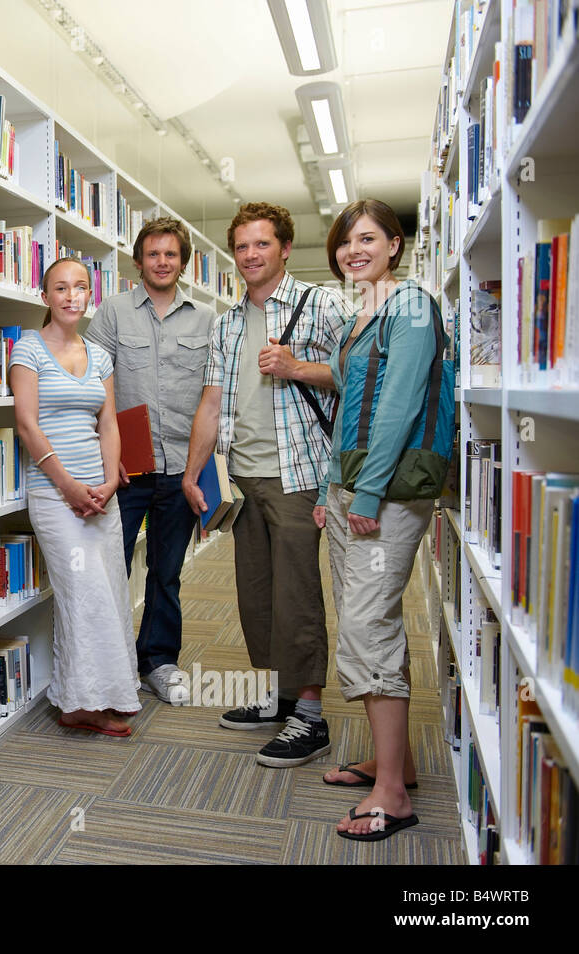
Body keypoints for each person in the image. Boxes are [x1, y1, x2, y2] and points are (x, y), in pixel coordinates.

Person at [182, 202, 348, 767]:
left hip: (299, 475)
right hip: (241, 480)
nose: (251, 255)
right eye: (243, 246)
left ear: (283, 247)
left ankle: (311, 716)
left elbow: (361, 374)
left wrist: (299, 366)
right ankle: (279, 697)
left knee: (297, 593)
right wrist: (192, 472)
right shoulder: (227, 321)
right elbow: (210, 402)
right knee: (256, 594)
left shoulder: (321, 302)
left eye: (262, 244)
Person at [314, 199, 444, 840]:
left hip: (388, 494)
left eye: (367, 238)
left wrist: (363, 494)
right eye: (344, 242)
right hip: (351, 488)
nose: (352, 250)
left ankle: (392, 796)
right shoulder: (360, 312)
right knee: (367, 625)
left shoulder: (412, 306)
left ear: (395, 243)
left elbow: (397, 405)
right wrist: (328, 487)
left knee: (368, 624)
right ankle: (397, 761)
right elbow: (348, 411)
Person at [85, 217, 217, 705]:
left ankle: (158, 661)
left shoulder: (206, 320)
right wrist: (107, 455)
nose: (163, 262)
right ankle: (110, 662)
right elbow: (94, 388)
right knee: (109, 567)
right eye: (153, 254)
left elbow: (213, 396)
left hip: (182, 469)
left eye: (172, 254)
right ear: (138, 260)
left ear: (183, 261)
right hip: (125, 469)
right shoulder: (113, 313)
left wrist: (199, 468)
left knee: (167, 570)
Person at [10, 257, 141, 736]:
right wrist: (68, 486)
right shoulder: (28, 350)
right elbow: (27, 424)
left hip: (102, 496)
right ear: (45, 296)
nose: (71, 296)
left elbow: (108, 423)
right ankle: (86, 702)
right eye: (60, 288)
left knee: (109, 590)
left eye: (80, 287)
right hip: (53, 493)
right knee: (82, 594)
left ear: (91, 296)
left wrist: (108, 482)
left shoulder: (100, 355)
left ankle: (88, 696)